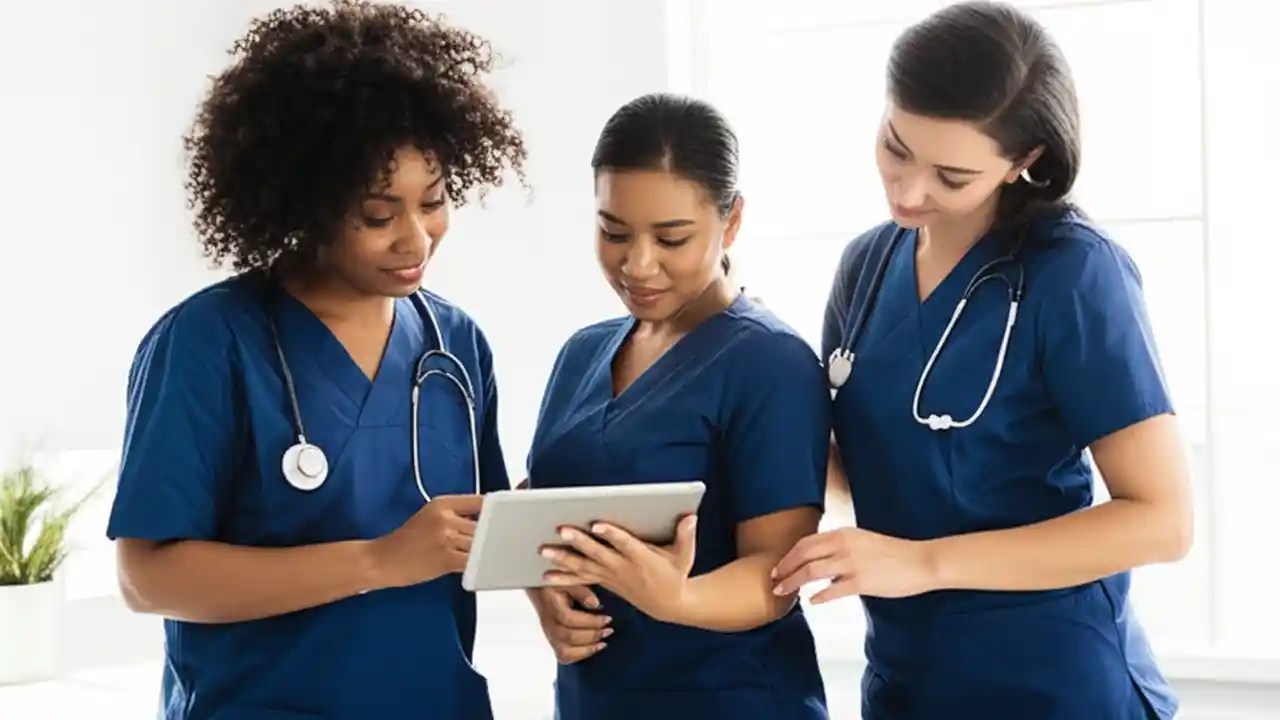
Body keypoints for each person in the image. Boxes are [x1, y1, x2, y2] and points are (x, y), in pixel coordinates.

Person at [768, 3, 1193, 719]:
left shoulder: (1075, 275)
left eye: (951, 176)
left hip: (1051, 681)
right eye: (896, 146)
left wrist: (921, 564)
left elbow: (1162, 522)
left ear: (1022, 164)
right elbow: (877, 462)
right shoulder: (867, 267)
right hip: (907, 679)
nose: (907, 191)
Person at [105, 3, 526, 718]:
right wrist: (378, 562)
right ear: (305, 202)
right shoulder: (207, 344)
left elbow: (483, 535)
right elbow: (148, 578)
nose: (416, 239)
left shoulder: (455, 345)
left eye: (434, 201)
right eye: (376, 215)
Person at [525, 93, 832, 719]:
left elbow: (778, 572)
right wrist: (543, 595)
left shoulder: (769, 363)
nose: (638, 265)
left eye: (672, 238)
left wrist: (677, 600)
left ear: (732, 221)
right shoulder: (582, 354)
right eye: (613, 232)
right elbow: (541, 505)